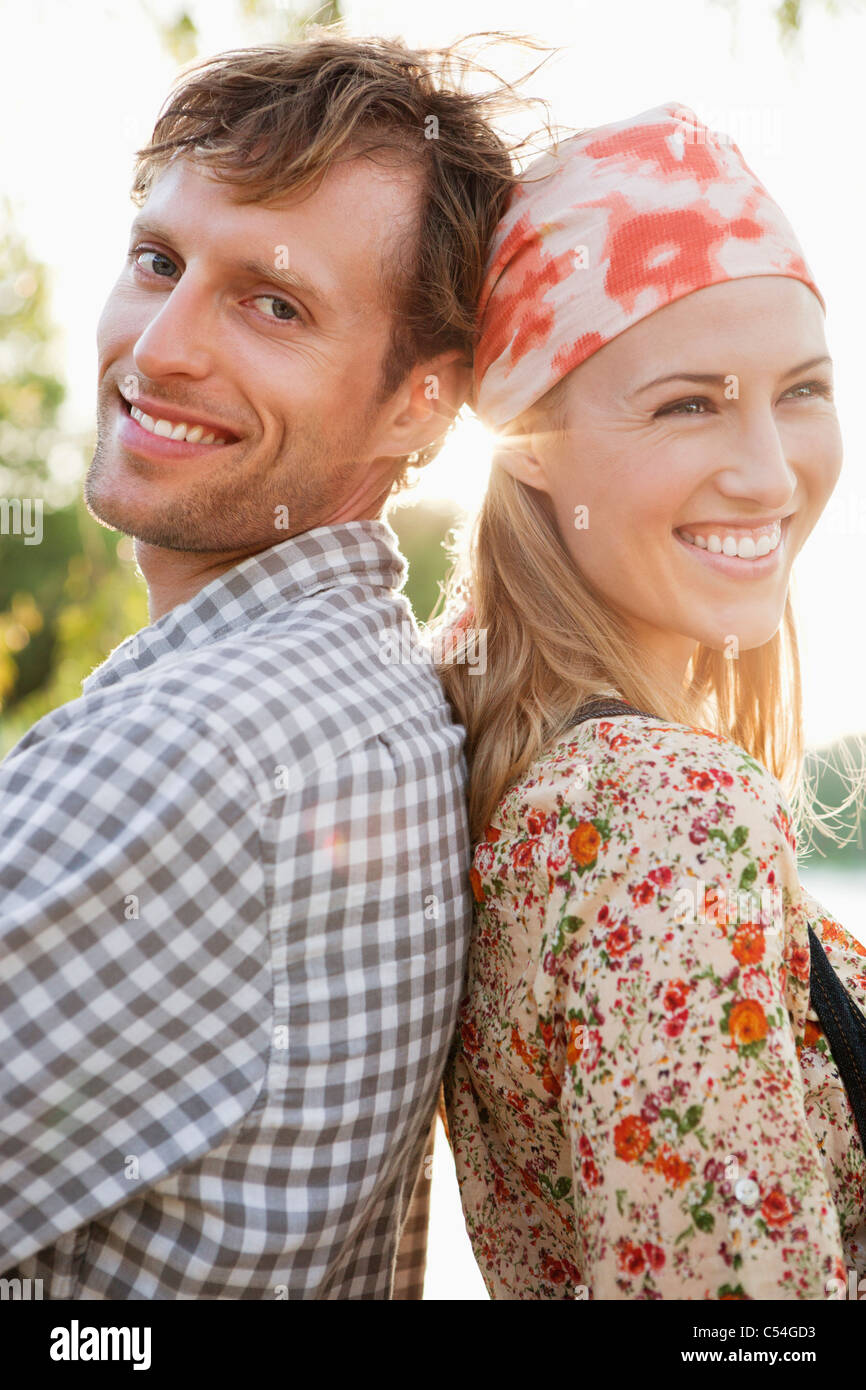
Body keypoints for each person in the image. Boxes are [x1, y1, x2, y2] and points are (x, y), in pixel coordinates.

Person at [0, 33, 534, 1299]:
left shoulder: (182, 752)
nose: (160, 349)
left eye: (273, 303)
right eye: (159, 262)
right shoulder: (378, 696)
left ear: (422, 401)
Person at [434, 101, 866, 1299]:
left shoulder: (520, 757)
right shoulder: (663, 811)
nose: (768, 472)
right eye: (687, 402)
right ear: (525, 441)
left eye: (801, 390)